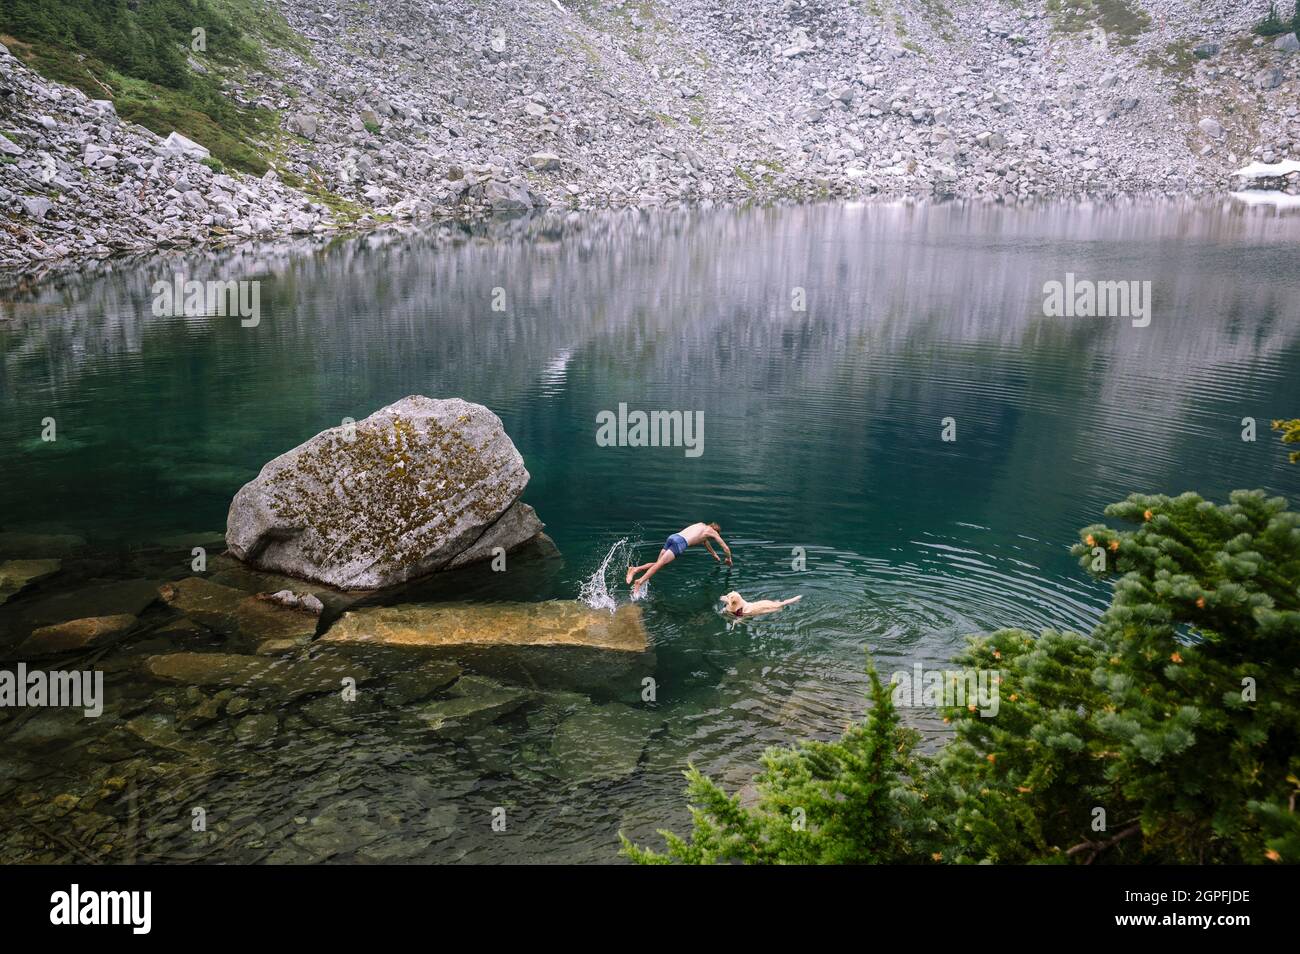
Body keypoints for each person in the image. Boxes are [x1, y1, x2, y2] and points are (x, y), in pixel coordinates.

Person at [626, 521, 731, 595]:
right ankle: (639, 581)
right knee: (659, 565)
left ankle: (635, 569)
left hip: (673, 537)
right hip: (680, 543)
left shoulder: (701, 525)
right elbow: (725, 547)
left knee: (659, 563)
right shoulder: (712, 532)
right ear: (715, 531)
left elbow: (705, 541)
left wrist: (714, 554)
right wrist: (729, 559)